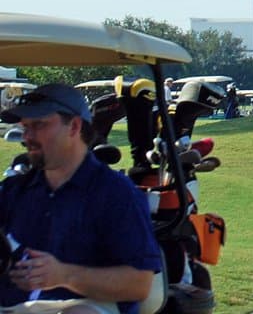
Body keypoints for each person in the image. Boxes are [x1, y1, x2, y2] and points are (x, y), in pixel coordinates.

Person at [0, 83, 164, 314]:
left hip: (91, 305)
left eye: (39, 125)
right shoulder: (16, 190)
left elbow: (139, 284)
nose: (27, 137)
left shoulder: (116, 193)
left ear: (74, 126)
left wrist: (64, 275)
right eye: (25, 127)